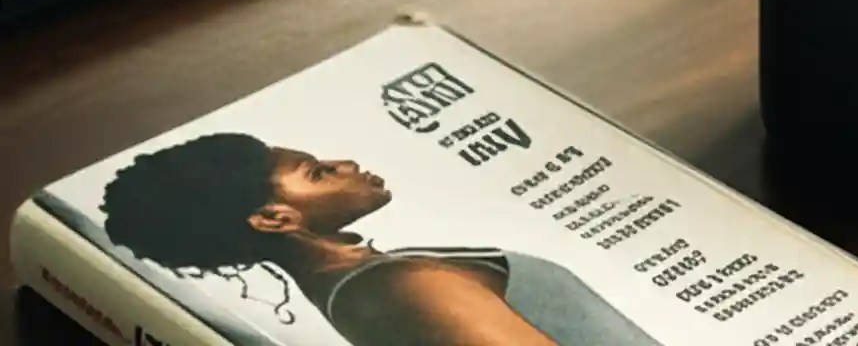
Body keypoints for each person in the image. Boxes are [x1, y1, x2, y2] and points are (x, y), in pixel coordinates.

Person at [100, 133, 657, 346]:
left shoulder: (376, 281)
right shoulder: (394, 288)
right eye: (318, 172)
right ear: (273, 218)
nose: (345, 162)